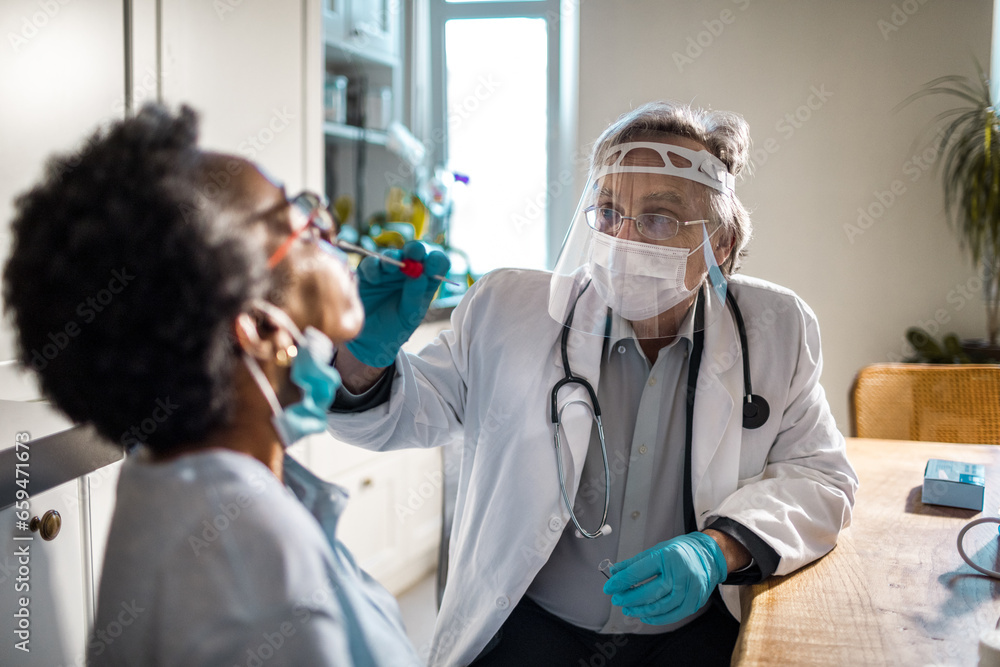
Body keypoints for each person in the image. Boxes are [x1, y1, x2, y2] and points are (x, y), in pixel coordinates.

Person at [329, 100, 859, 666]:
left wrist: (718, 548)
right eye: (608, 212)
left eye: (658, 218)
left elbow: (822, 478)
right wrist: (362, 360)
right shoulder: (508, 310)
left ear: (720, 243)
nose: (623, 238)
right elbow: (398, 420)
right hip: (530, 626)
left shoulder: (775, 328)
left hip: (693, 632)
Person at [2, 105, 432, 666]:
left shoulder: (172, 468)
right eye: (302, 223)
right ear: (259, 329)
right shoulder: (261, 584)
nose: (331, 231)